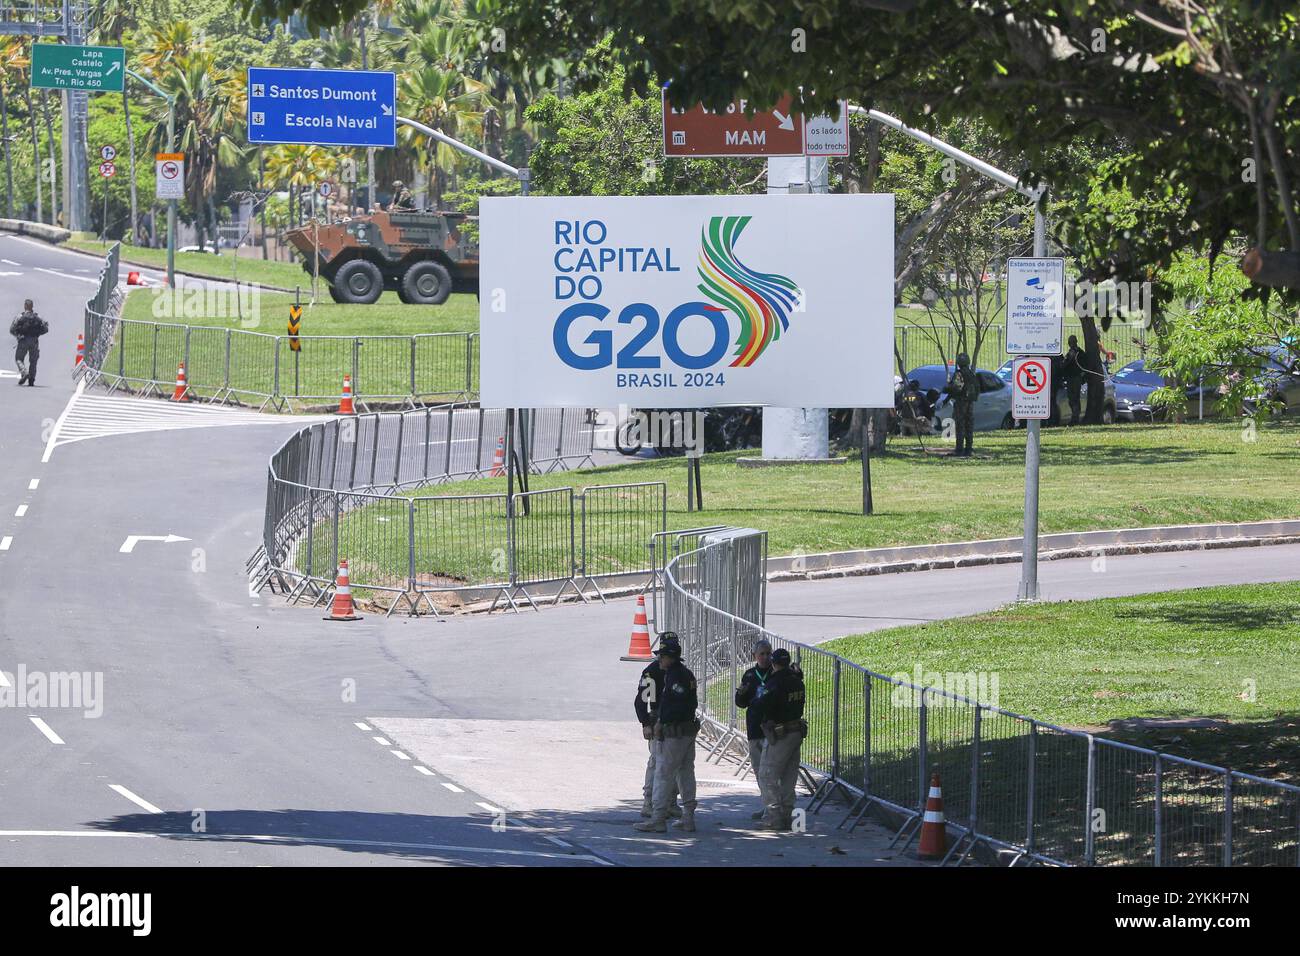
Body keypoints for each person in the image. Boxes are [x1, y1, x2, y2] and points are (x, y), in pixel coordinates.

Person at [634, 633, 699, 834]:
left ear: (670, 656)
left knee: (662, 772)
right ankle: (687, 816)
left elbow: (672, 706)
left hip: (673, 733)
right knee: (686, 772)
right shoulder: (685, 674)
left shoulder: (674, 677)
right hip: (687, 731)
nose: (659, 659)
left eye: (662, 655)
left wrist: (659, 723)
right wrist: (647, 721)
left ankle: (658, 816)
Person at [750, 648, 806, 831]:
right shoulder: (797, 681)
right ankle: (788, 815)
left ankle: (773, 817)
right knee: (789, 775)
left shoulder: (774, 683)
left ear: (774, 664)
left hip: (780, 734)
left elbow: (759, 704)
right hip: (796, 731)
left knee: (767, 775)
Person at [634, 634, 682, 821]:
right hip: (657, 720)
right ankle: (649, 802)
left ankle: (670, 801)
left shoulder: (678, 670)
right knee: (656, 762)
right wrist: (646, 723)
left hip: (675, 721)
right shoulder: (652, 672)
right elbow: (641, 700)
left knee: (675, 764)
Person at [734, 639, 774, 820]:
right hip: (754, 728)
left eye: (768, 653)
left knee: (770, 770)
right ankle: (767, 805)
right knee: (759, 770)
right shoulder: (750, 675)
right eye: (762, 654)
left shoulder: (776, 673)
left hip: (772, 729)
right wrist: (741, 693)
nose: (765, 657)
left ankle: (774, 808)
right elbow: (741, 703)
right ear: (754, 656)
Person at [10, 299, 48, 387]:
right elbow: (46, 329)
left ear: (25, 306)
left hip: (23, 340)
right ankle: (31, 380)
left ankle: (24, 372)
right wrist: (37, 334)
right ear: (32, 306)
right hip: (34, 341)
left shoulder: (20, 316)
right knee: (33, 361)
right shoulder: (38, 317)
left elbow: (12, 329)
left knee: (19, 358)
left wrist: (18, 336)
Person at [947, 353, 978, 456]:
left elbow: (957, 388)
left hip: (961, 403)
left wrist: (949, 387)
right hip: (970, 404)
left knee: (960, 426)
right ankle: (969, 448)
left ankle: (959, 449)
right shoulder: (971, 374)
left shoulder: (959, 374)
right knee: (969, 426)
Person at [1062, 335, 1085, 425]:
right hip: (1072, 378)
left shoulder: (1076, 353)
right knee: (1072, 399)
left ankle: (1075, 418)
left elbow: (1065, 364)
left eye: (1070, 342)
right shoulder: (1079, 352)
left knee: (1074, 399)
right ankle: (1075, 417)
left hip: (1074, 378)